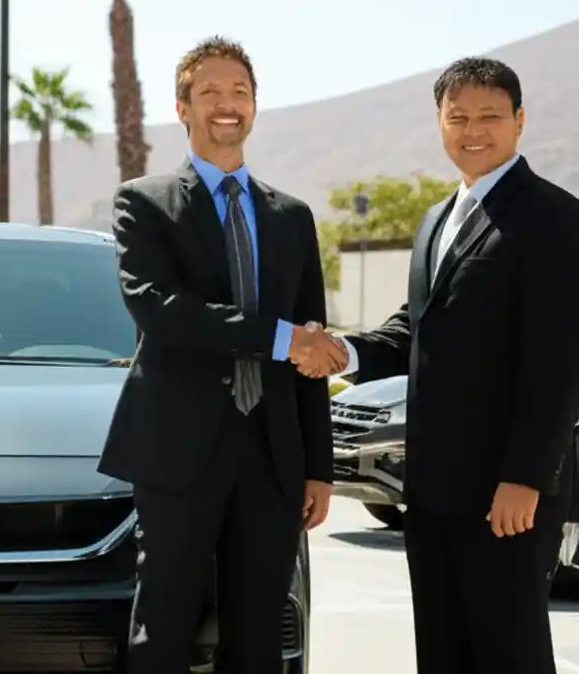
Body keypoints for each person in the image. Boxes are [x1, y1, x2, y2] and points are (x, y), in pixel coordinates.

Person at [314, 56, 579, 674]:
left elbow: (558, 361)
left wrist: (527, 479)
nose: (472, 130)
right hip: (430, 490)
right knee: (443, 649)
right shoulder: (437, 220)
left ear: (519, 121)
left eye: (489, 115)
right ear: (439, 122)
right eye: (457, 117)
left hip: (505, 495)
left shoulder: (555, 219)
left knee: (507, 651)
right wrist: (343, 351)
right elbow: (417, 326)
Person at [97, 36, 347, 674]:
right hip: (176, 452)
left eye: (239, 92)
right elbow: (161, 311)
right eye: (209, 92)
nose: (226, 105)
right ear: (183, 108)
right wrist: (283, 336)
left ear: (255, 107)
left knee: (260, 636)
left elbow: (312, 350)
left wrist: (319, 466)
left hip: (271, 455)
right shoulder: (142, 204)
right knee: (165, 628)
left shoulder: (292, 217)